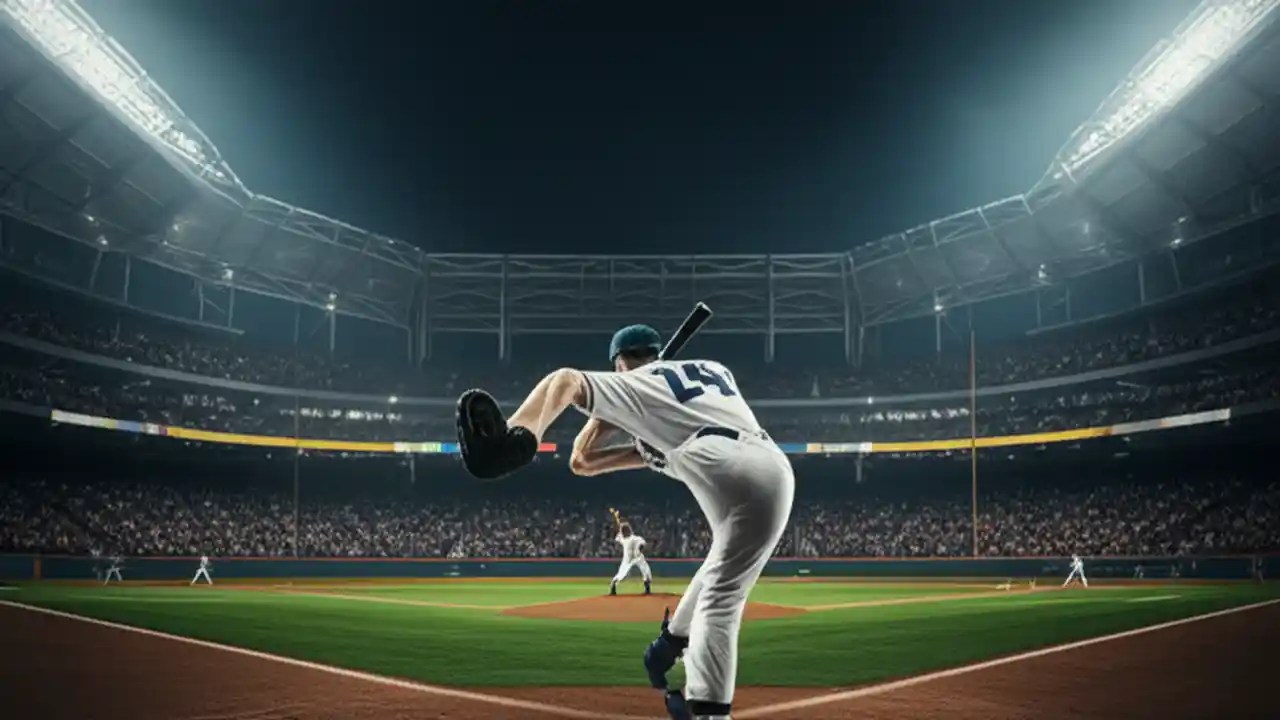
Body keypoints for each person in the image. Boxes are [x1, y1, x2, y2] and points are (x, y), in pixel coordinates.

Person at [456, 324, 794, 720]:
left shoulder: (637, 383)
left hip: (726, 468)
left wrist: (528, 431)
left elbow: (566, 389)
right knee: (719, 569)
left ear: (619, 363)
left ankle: (708, 712)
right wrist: (670, 641)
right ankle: (676, 646)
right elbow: (592, 460)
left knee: (721, 600)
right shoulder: (710, 370)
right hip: (768, 468)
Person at [609, 508, 652, 596]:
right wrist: (615, 518)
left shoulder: (634, 538)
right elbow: (618, 528)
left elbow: (643, 546)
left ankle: (647, 587)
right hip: (629, 558)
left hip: (637, 557)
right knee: (622, 573)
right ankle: (613, 586)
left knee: (645, 570)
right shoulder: (625, 538)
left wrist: (615, 517)